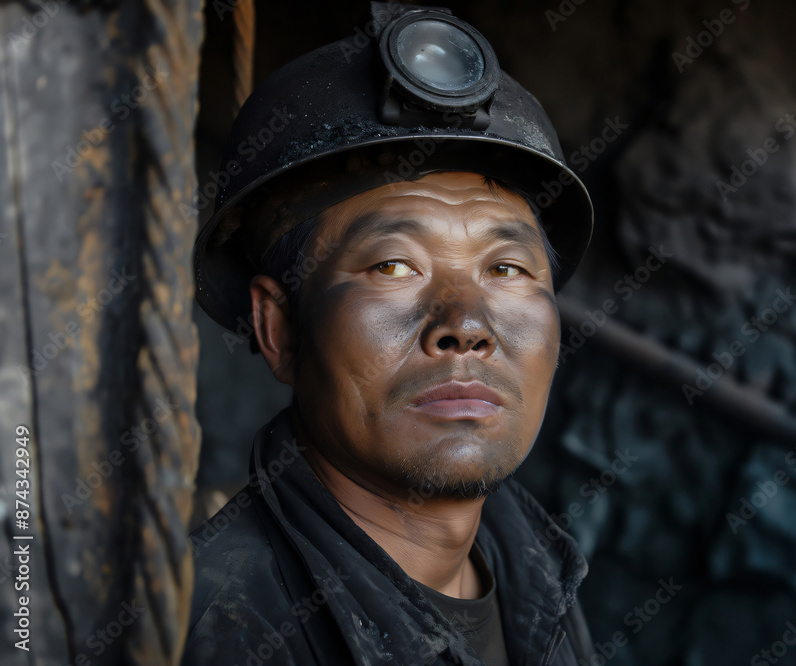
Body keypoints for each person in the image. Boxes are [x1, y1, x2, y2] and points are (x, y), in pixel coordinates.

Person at [183, 4, 594, 665]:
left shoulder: (538, 570)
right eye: (393, 266)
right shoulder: (222, 633)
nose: (466, 327)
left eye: (506, 268)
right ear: (278, 327)